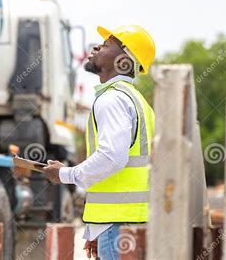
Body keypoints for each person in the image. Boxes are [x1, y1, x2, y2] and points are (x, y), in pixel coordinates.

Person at [44, 25, 155, 260]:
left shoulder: (112, 99)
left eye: (105, 45)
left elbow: (111, 158)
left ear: (124, 61)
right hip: (131, 222)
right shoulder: (137, 101)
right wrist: (95, 229)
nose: (96, 47)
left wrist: (65, 174)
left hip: (119, 224)